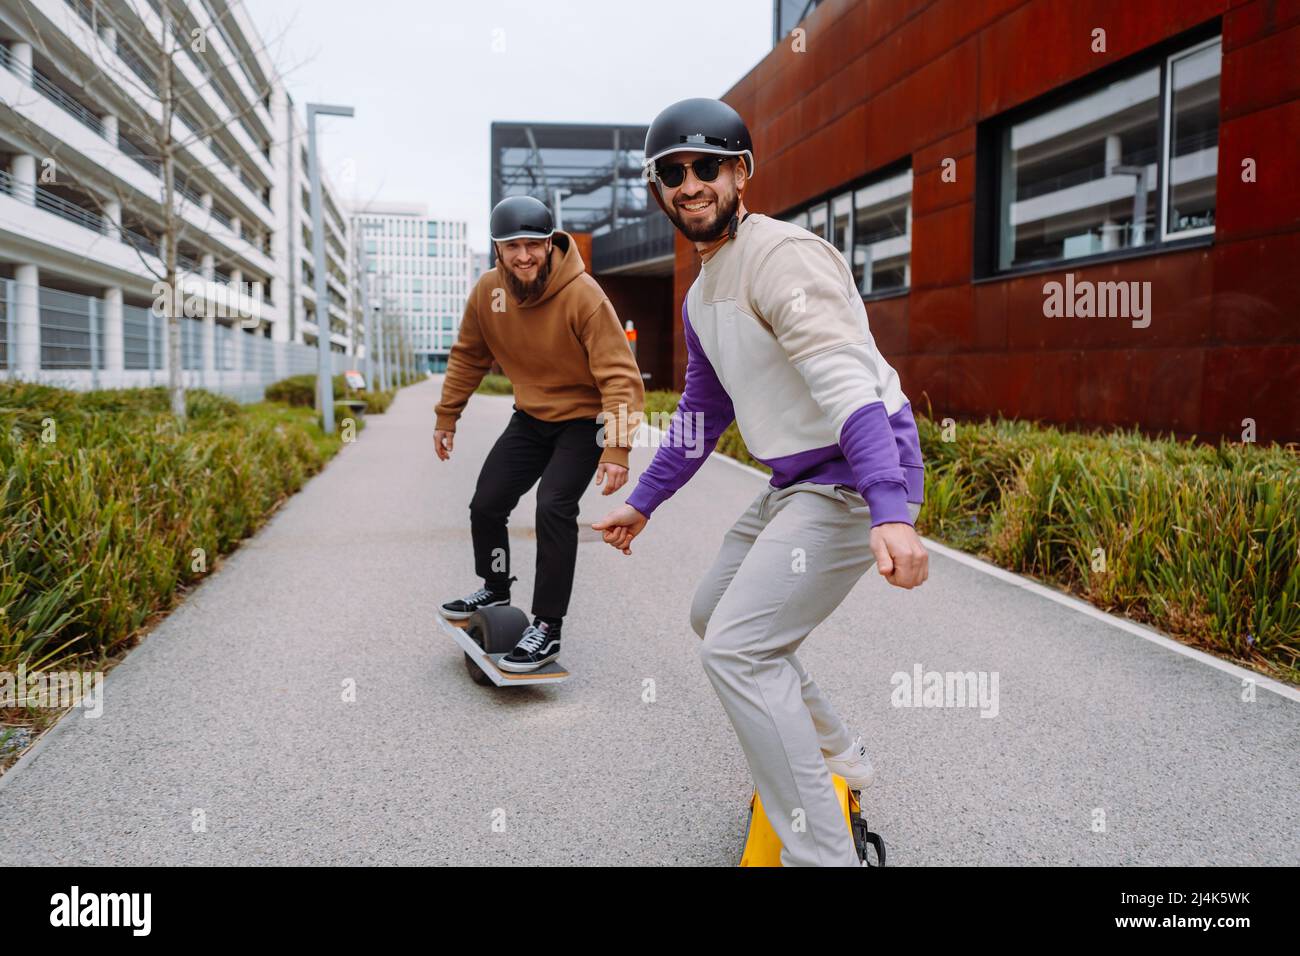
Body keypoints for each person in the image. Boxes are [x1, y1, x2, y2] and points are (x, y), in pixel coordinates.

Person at [592, 98, 929, 866]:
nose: (689, 184)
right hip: (797, 480)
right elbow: (702, 413)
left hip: (852, 475)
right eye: (670, 173)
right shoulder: (700, 295)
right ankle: (839, 753)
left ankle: (825, 858)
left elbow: (848, 386)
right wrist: (642, 503)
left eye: (706, 166)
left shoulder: (783, 257)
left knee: (739, 649)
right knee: (714, 615)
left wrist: (890, 509)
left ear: (740, 172)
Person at [435, 196, 644, 672]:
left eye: (533, 244)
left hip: (584, 421)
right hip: (530, 418)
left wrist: (617, 446)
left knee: (553, 506)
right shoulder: (488, 292)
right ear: (497, 249)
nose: (524, 256)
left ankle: (547, 625)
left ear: (550, 244)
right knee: (487, 502)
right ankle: (495, 585)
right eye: (513, 246)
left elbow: (619, 377)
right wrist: (447, 416)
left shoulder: (584, 295)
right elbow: (468, 355)